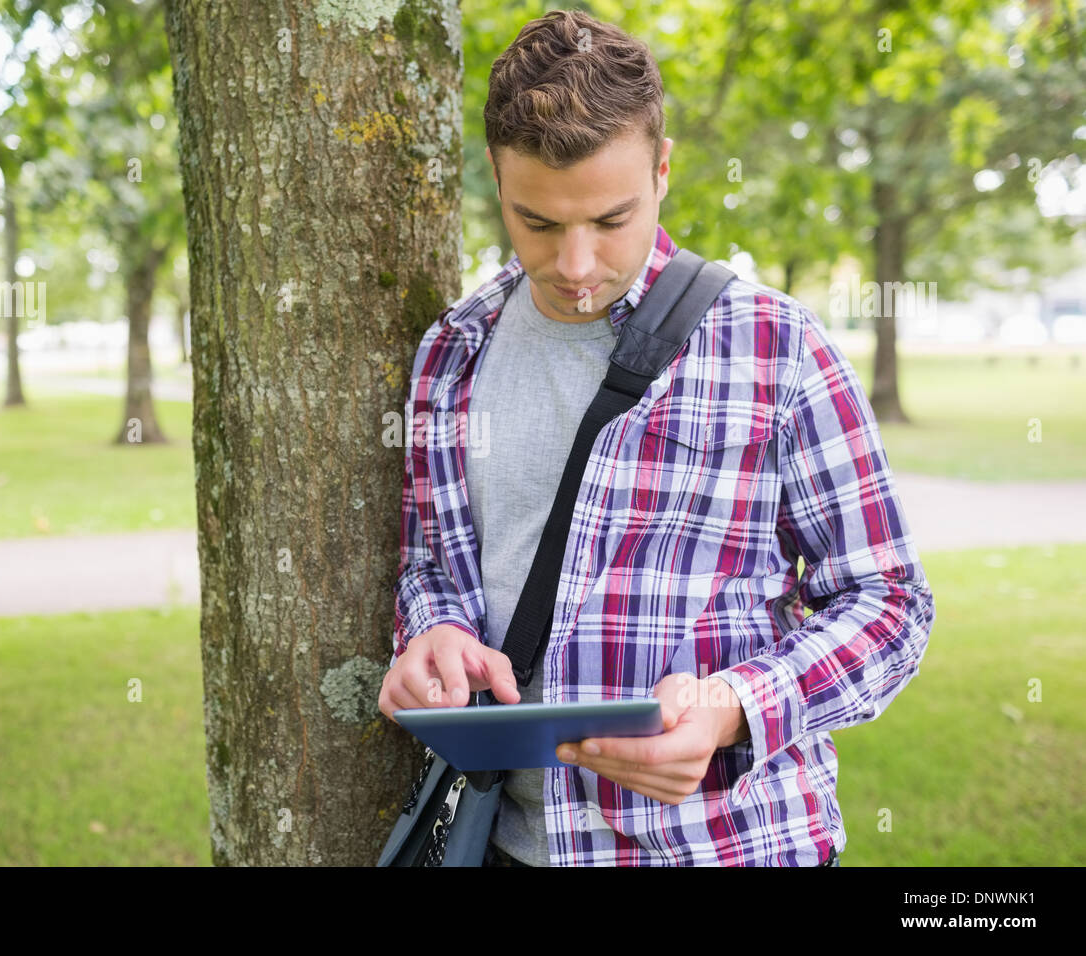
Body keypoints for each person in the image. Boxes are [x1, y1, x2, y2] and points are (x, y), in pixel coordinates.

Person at [377, 9, 935, 867]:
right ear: (494, 177)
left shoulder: (779, 348)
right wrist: (434, 634)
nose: (574, 265)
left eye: (609, 220)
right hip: (509, 846)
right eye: (537, 222)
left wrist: (739, 704)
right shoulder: (450, 354)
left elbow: (890, 605)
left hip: (726, 847)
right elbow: (434, 567)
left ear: (663, 172)